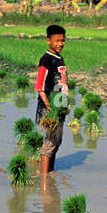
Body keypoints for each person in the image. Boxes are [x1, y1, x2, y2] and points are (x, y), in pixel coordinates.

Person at [34, 24, 67, 177]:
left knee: (57, 140)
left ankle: (50, 172)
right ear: (48, 40)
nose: (61, 43)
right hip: (50, 106)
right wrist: (48, 106)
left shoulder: (59, 58)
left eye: (63, 40)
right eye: (57, 40)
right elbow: (40, 86)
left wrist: (64, 104)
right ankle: (44, 178)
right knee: (50, 142)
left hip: (59, 104)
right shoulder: (46, 59)